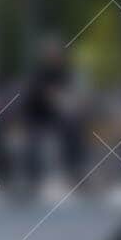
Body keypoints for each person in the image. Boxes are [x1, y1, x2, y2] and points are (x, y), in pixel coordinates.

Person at [18, 36, 86, 192]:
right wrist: (60, 99)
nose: (54, 56)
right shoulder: (38, 73)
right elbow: (46, 95)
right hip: (36, 116)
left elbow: (70, 94)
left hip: (56, 116)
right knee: (33, 139)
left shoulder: (64, 73)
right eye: (50, 53)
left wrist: (72, 102)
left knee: (74, 127)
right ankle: (31, 179)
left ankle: (75, 170)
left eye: (55, 53)